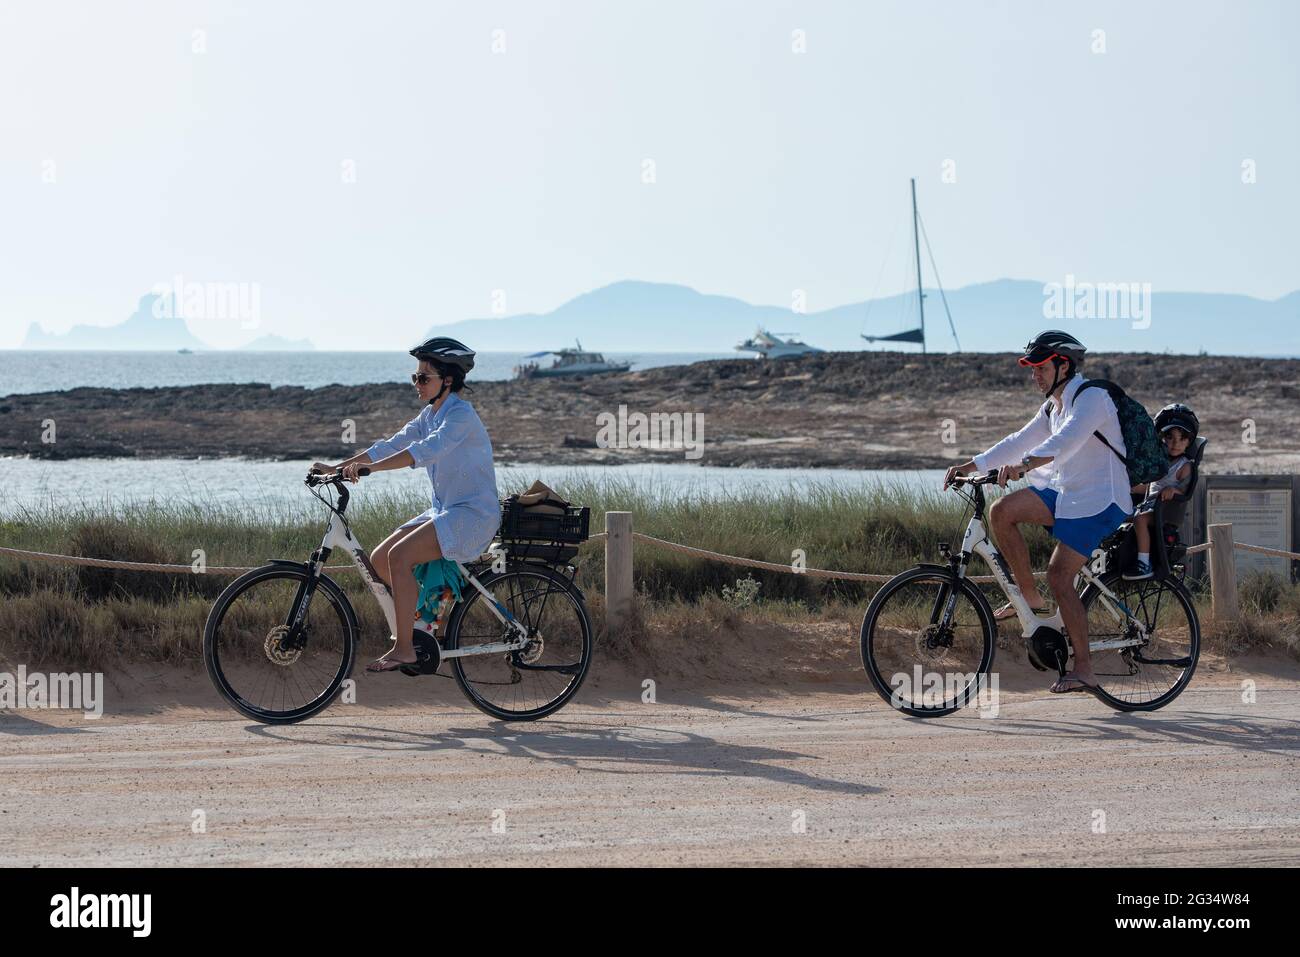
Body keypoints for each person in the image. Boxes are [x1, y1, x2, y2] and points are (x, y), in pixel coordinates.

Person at [943, 330, 1131, 697]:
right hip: (1067, 493)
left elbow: (1064, 443)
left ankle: (1085, 670)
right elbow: (1019, 441)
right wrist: (970, 465)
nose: (1035, 375)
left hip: (1101, 500)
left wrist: (1022, 468)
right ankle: (1029, 600)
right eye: (1032, 368)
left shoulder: (1093, 398)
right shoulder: (1053, 406)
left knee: (1059, 576)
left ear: (1064, 365)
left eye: (1040, 367)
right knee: (1002, 511)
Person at [311, 337, 499, 673]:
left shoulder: (460, 416)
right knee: (381, 560)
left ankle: (404, 648)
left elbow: (426, 450)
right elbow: (392, 445)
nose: (417, 383)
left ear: (448, 380)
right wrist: (338, 468)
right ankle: (425, 622)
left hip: (472, 516)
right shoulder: (429, 414)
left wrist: (370, 470)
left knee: (400, 557)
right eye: (415, 377)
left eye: (424, 377)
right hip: (446, 510)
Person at [1125, 403, 1198, 580]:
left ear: (1189, 442)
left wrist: (1173, 490)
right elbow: (1151, 485)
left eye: (1182, 438)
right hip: (1150, 504)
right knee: (1120, 515)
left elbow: (1184, 489)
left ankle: (1143, 563)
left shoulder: (1184, 466)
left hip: (1165, 512)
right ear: (1162, 437)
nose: (1175, 443)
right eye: (1170, 437)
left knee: (1139, 520)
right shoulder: (1160, 462)